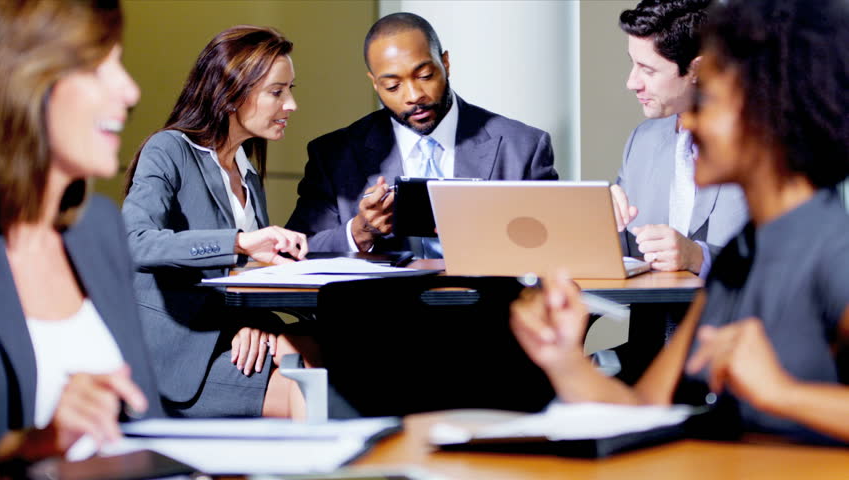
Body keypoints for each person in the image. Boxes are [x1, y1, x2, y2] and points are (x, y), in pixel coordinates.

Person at [512, 0, 849, 444]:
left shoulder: (831, 247)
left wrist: (781, 394)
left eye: (708, 101)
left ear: (770, 112)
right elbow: (646, 409)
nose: (687, 121)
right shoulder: (740, 260)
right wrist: (563, 358)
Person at [0, 0, 163, 463]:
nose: (130, 91)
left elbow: (149, 424)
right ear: (29, 81)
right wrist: (31, 445)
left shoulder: (100, 229)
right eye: (99, 68)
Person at [122, 26, 312, 419]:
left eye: (290, 89)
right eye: (277, 92)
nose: (290, 104)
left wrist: (256, 321)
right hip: (176, 360)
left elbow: (240, 281)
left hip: (226, 340)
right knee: (308, 376)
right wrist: (239, 243)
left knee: (319, 348)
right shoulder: (168, 150)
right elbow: (135, 242)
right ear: (231, 93)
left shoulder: (248, 173)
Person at [285, 12, 558, 257]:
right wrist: (360, 231)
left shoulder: (523, 147)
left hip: (487, 310)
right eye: (393, 86)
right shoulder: (334, 155)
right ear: (374, 83)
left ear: (446, 63)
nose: (414, 96)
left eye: (425, 76)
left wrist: (500, 237)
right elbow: (297, 249)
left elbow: (558, 250)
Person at [612, 0, 747, 278]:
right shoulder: (642, 142)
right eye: (632, 64)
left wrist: (698, 257)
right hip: (653, 322)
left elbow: (795, 266)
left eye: (647, 70)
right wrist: (602, 222)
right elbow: (620, 257)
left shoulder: (767, 145)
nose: (632, 82)